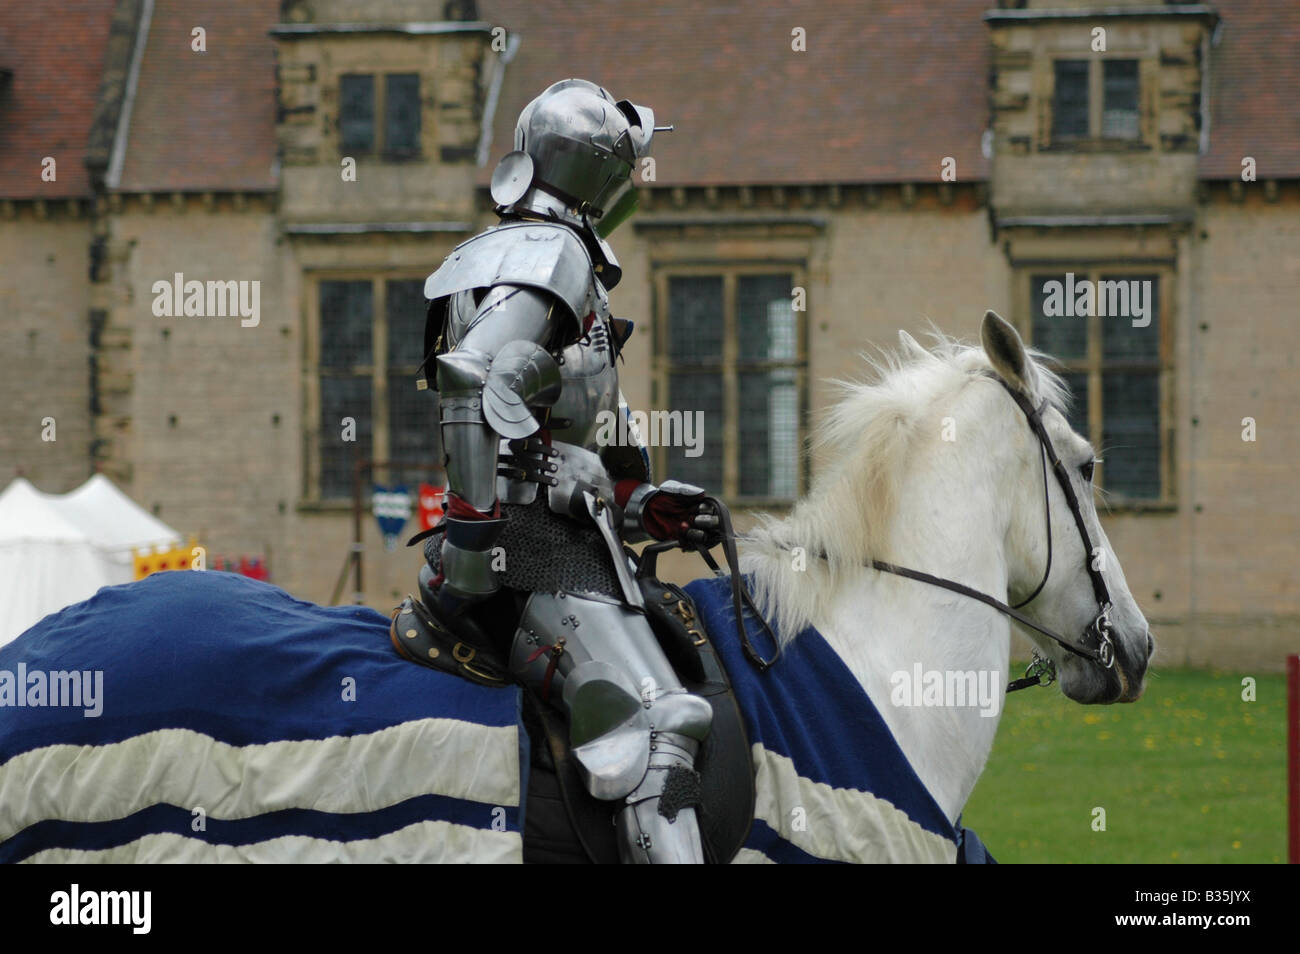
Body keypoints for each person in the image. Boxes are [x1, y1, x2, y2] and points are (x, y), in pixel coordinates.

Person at [400, 79, 721, 863]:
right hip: (527, 556)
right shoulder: (555, 256)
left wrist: (646, 505)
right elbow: (472, 379)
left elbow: (579, 453)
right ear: (605, 174)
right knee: (660, 726)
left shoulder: (525, 257)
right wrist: (475, 549)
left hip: (565, 544)